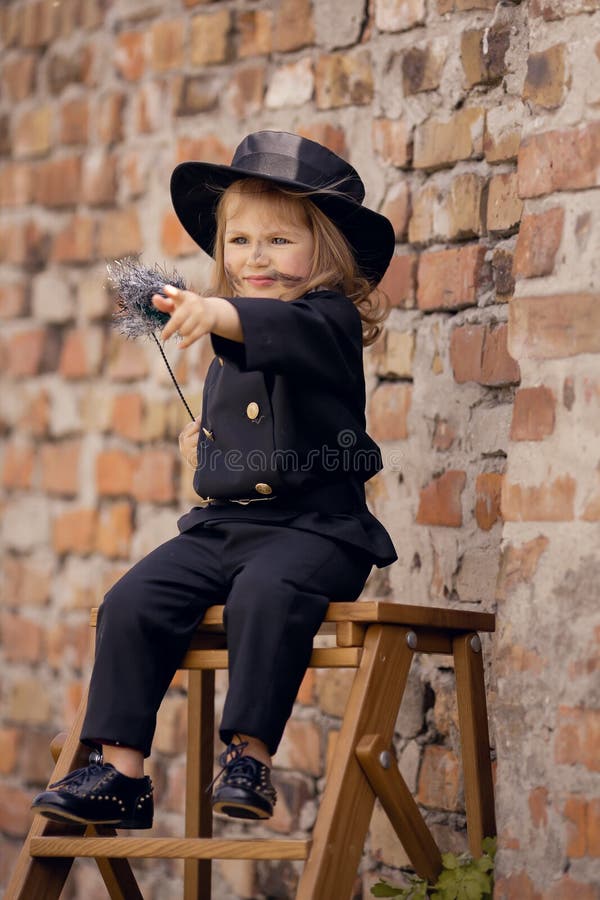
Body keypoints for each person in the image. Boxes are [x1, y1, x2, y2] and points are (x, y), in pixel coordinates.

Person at [31, 130, 398, 828]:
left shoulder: (327, 320)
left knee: (267, 591)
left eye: (280, 242)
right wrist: (205, 445)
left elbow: (266, 331)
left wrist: (214, 311)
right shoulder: (230, 334)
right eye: (240, 242)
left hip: (318, 531)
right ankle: (120, 772)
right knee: (133, 599)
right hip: (227, 528)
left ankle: (249, 755)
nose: (255, 258)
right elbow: (255, 422)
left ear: (325, 250)